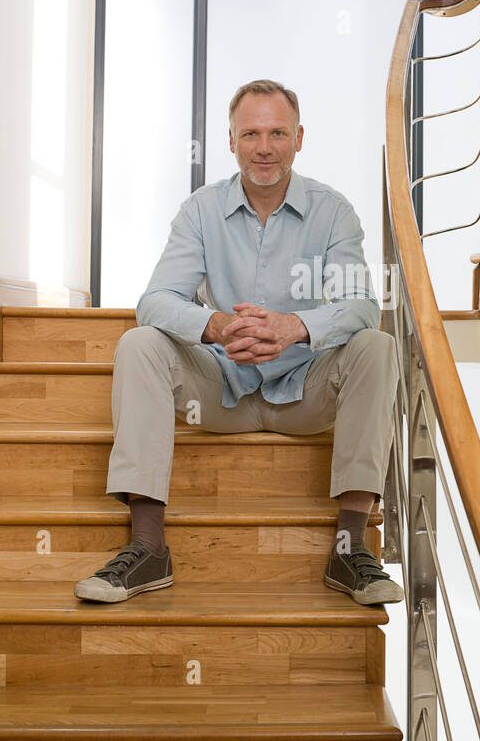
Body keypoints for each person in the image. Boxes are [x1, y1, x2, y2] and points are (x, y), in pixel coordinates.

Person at [75, 79, 404, 606]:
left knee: (377, 346)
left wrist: (295, 327)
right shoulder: (200, 211)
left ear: (300, 138)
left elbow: (362, 305)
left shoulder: (334, 212)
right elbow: (155, 300)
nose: (265, 147)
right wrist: (218, 326)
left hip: (304, 394)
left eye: (278, 132)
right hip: (218, 391)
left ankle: (350, 547)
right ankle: (148, 546)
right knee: (140, 343)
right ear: (231, 141)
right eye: (250, 133)